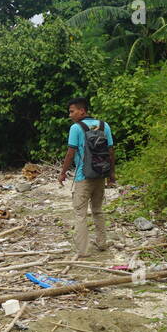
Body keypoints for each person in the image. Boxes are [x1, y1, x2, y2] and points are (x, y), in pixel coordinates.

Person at [57, 96, 116, 257]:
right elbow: (110, 151)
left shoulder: (76, 128)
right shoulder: (104, 126)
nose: (70, 115)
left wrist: (63, 173)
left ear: (82, 111)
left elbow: (71, 152)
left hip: (83, 176)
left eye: (72, 111)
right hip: (100, 175)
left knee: (80, 214)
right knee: (98, 210)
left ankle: (83, 251)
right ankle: (102, 243)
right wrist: (111, 174)